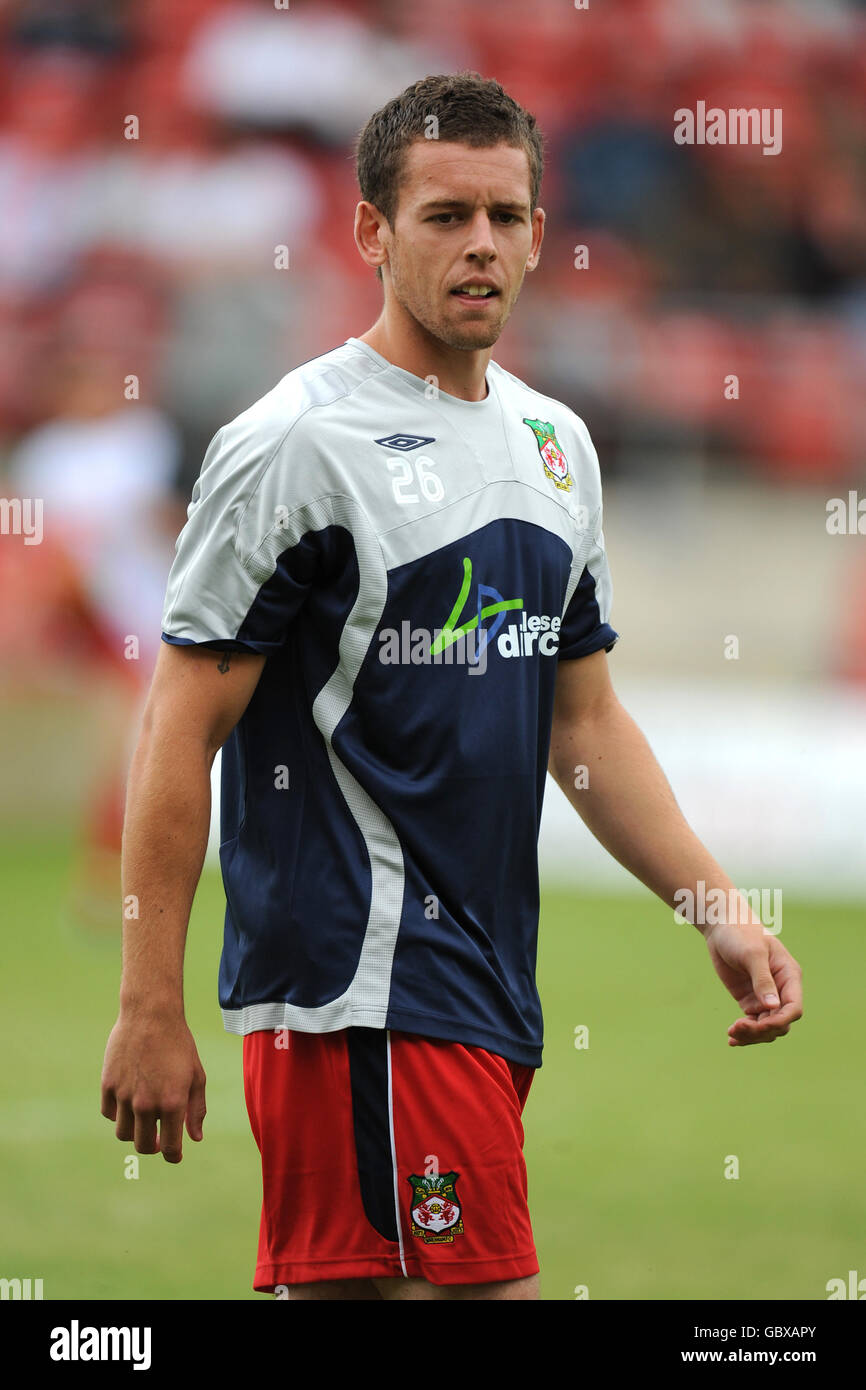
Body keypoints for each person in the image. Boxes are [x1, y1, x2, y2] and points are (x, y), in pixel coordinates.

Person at [100, 72, 803, 1303]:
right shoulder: (293, 444)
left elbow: (579, 720)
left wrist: (716, 907)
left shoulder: (554, 444)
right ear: (372, 231)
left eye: (506, 214)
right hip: (359, 987)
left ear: (539, 231)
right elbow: (179, 724)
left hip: (481, 988)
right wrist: (147, 1001)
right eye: (443, 215)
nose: (481, 243)